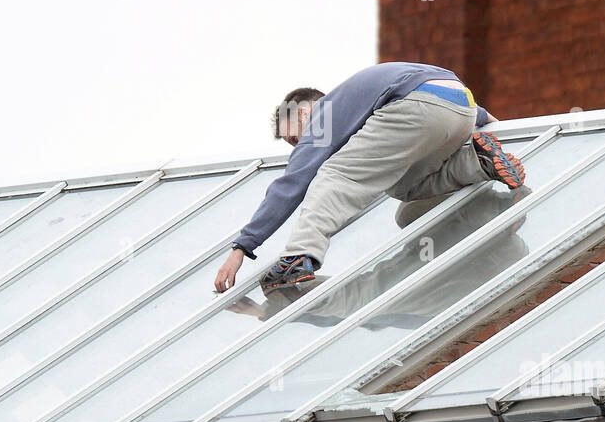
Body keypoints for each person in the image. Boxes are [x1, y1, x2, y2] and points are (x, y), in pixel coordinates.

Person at [213, 61, 526, 295]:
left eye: (296, 140)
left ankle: (299, 258)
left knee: (335, 175)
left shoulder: (324, 112)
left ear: (304, 114)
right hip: (459, 103)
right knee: (404, 185)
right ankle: (476, 163)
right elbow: (453, 104)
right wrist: (486, 120)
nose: (300, 148)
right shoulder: (358, 99)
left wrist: (244, 246)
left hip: (415, 104)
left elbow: (294, 181)